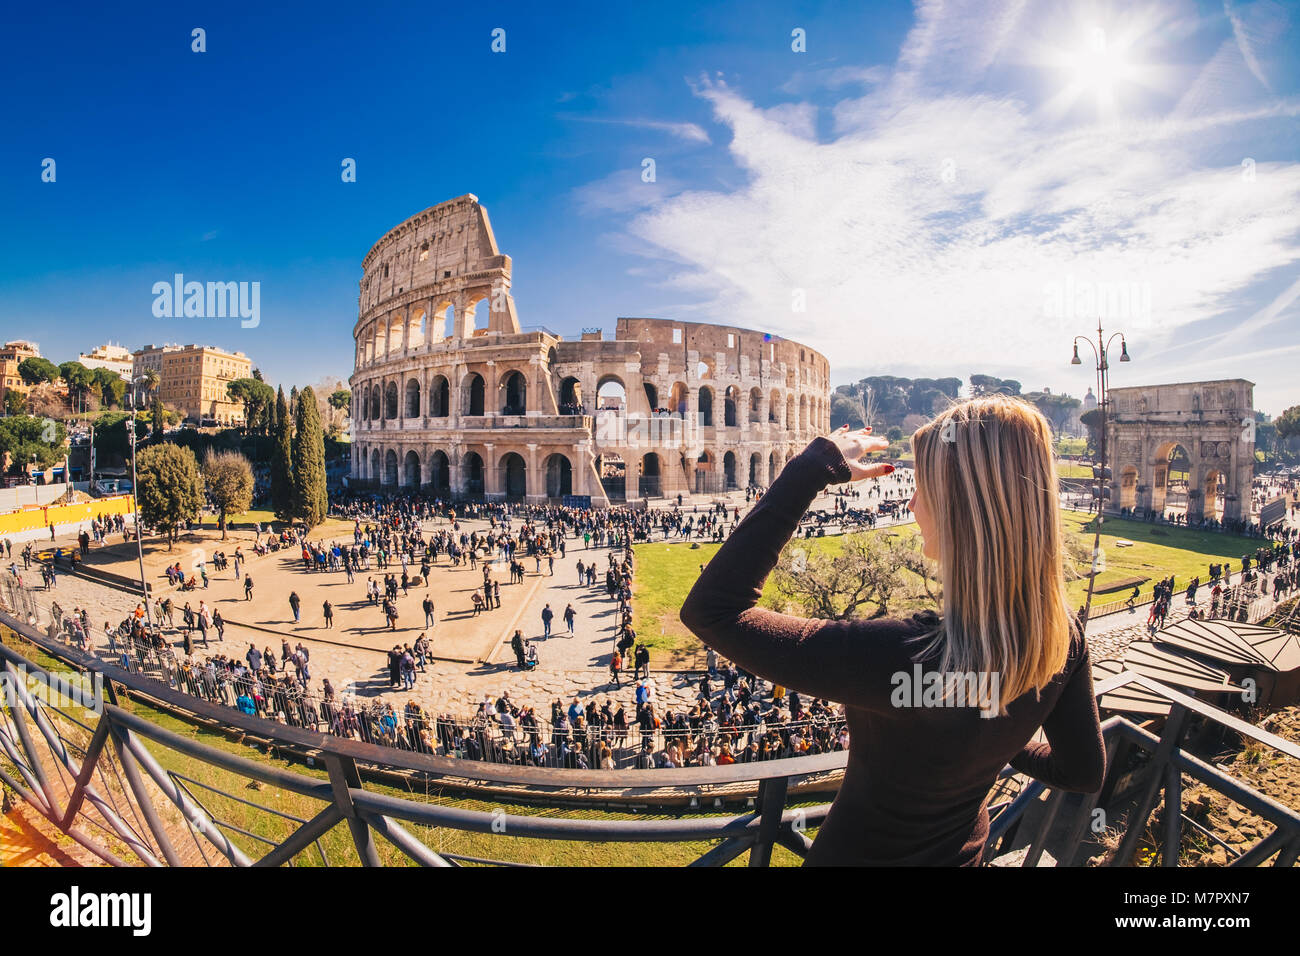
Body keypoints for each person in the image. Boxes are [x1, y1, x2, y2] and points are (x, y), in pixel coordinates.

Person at [679, 401, 1105, 866]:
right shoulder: (1064, 639)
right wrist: (998, 740)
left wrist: (812, 468)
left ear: (960, 510)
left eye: (924, 490)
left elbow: (714, 610)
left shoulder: (901, 654)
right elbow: (1082, 772)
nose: (911, 503)